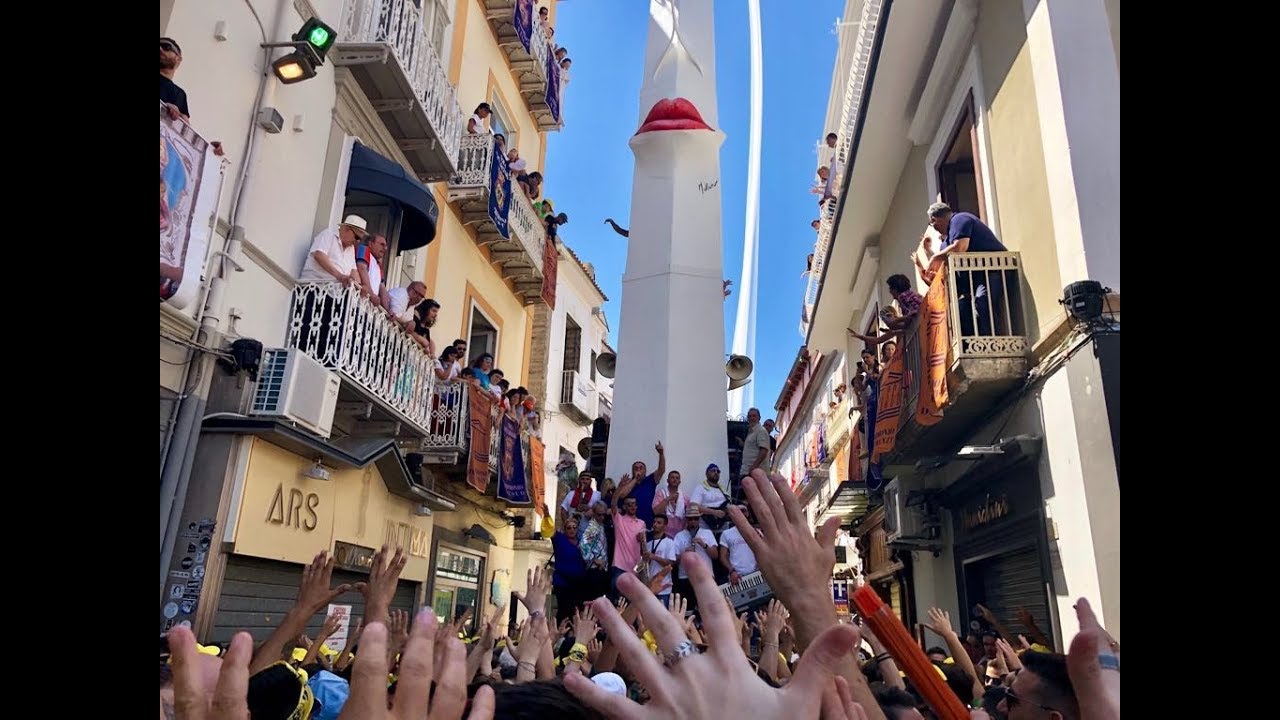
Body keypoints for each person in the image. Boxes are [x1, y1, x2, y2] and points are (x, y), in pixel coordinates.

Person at [926, 201, 1008, 336]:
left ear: (934, 219)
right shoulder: (946, 242)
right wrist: (930, 254)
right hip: (972, 283)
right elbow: (941, 268)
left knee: (982, 302)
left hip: (990, 272)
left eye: (932, 223)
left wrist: (935, 258)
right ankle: (976, 344)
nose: (934, 227)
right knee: (962, 309)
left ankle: (992, 340)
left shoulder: (959, 219)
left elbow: (960, 248)